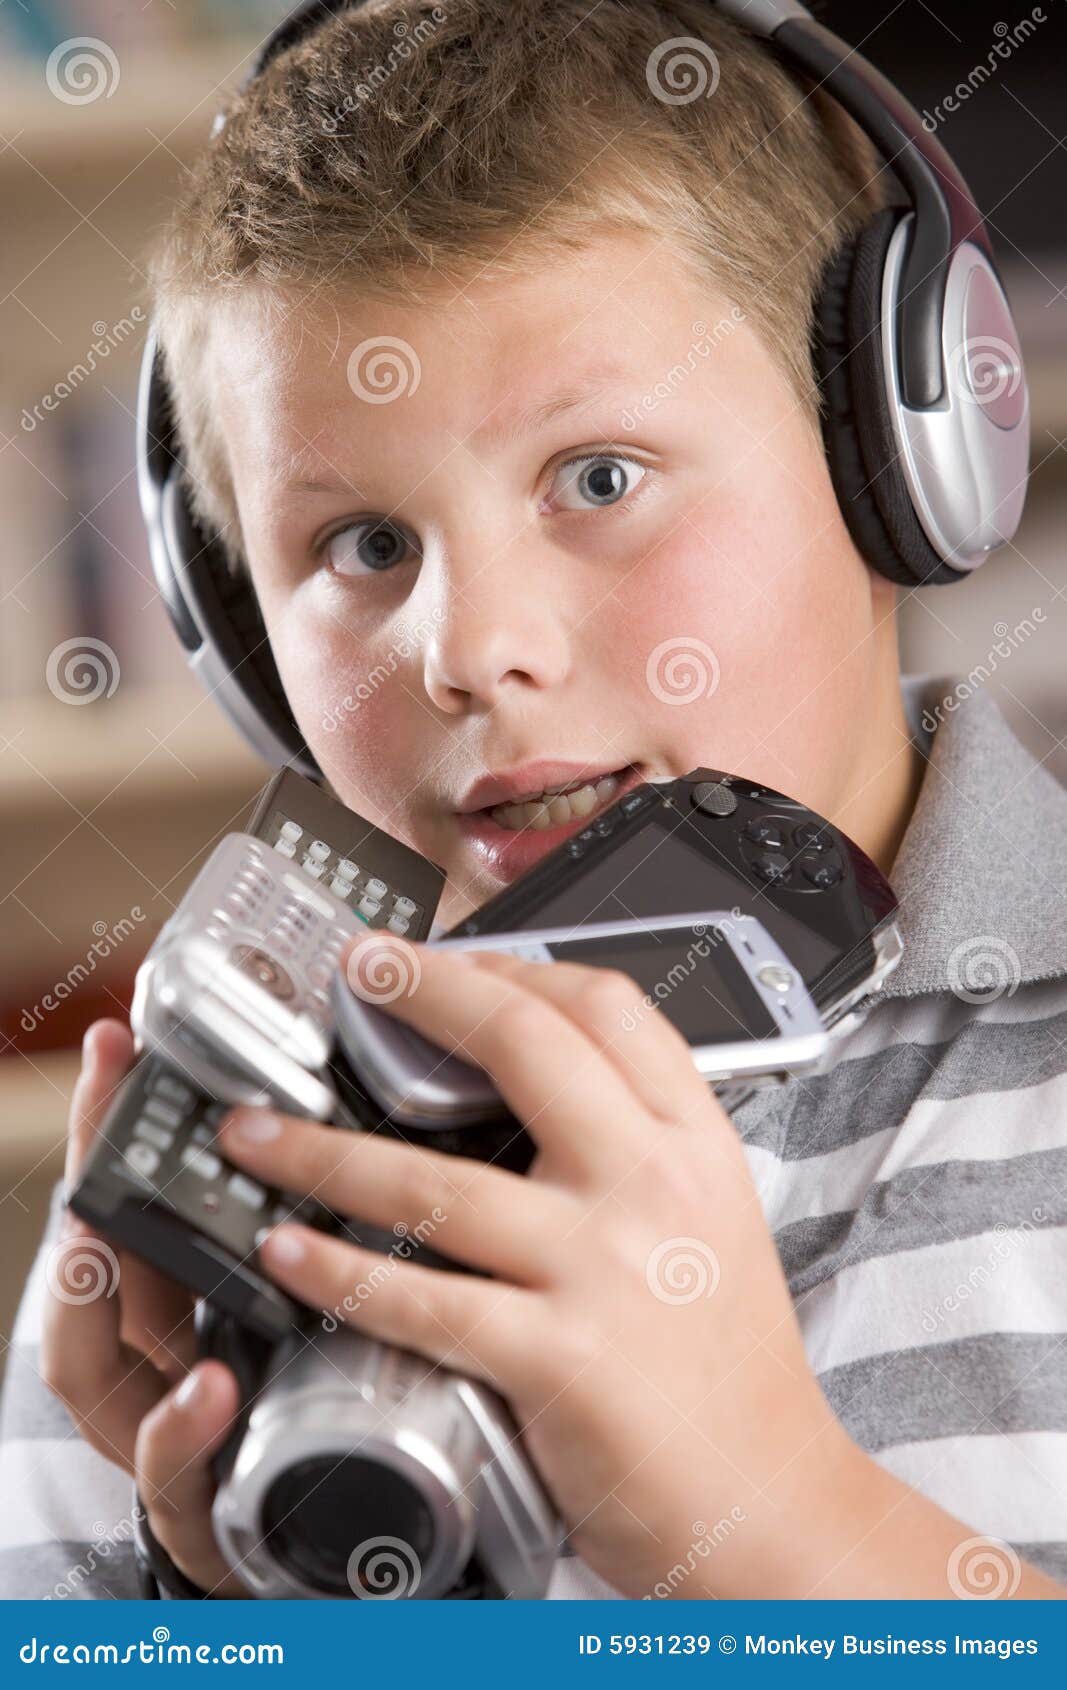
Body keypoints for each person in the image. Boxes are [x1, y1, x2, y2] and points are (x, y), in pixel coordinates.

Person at [3, 0, 1064, 1601]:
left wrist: (786, 1521)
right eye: (364, 546)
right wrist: (228, 1599)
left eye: (600, 480)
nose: (474, 651)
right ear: (237, 628)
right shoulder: (246, 1156)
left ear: (897, 465)